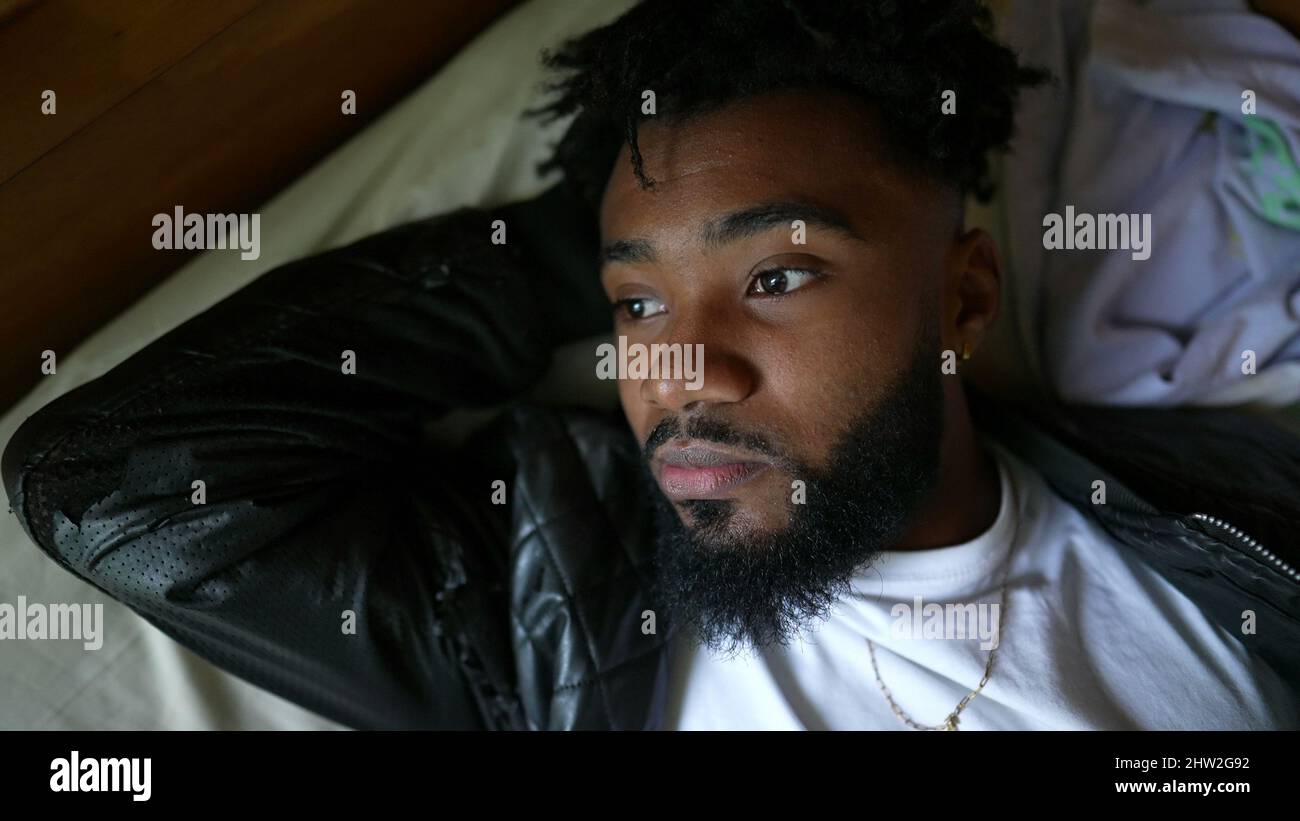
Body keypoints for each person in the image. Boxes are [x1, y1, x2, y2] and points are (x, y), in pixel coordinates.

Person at [4, 0, 1298, 730]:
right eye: (635, 302)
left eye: (777, 277)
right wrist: (570, 254)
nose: (683, 367)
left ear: (961, 297)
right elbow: (103, 483)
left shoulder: (1238, 543)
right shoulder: (536, 609)